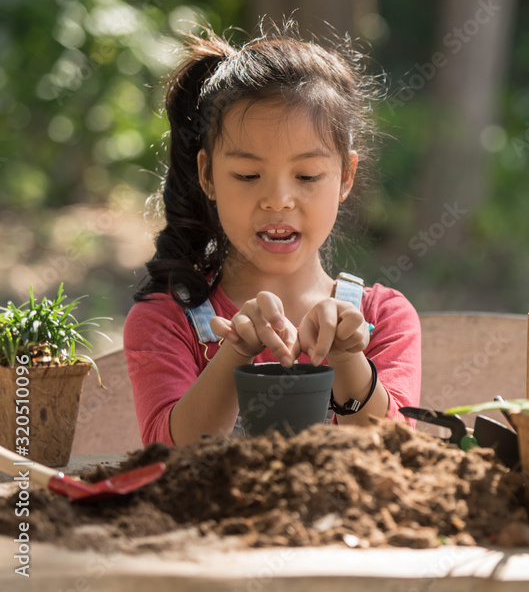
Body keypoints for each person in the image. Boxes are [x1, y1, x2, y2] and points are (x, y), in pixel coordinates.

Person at [125, 23, 420, 447]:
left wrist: (346, 358)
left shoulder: (384, 318)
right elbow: (168, 456)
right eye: (247, 175)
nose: (279, 200)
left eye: (307, 175)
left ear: (346, 176)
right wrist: (235, 355)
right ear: (207, 175)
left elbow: (397, 453)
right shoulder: (164, 322)